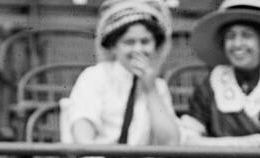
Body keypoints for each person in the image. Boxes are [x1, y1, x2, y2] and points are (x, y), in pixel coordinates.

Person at [62, 0, 182, 147]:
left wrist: (151, 89)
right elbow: (82, 126)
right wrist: (90, 155)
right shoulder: (95, 76)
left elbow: (171, 143)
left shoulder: (159, 86)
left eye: (145, 42)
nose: (138, 49)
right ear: (113, 47)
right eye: (129, 42)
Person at [180, 0, 260, 154]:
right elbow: (187, 140)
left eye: (247, 35)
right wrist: (239, 145)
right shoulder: (213, 83)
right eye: (231, 36)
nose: (237, 44)